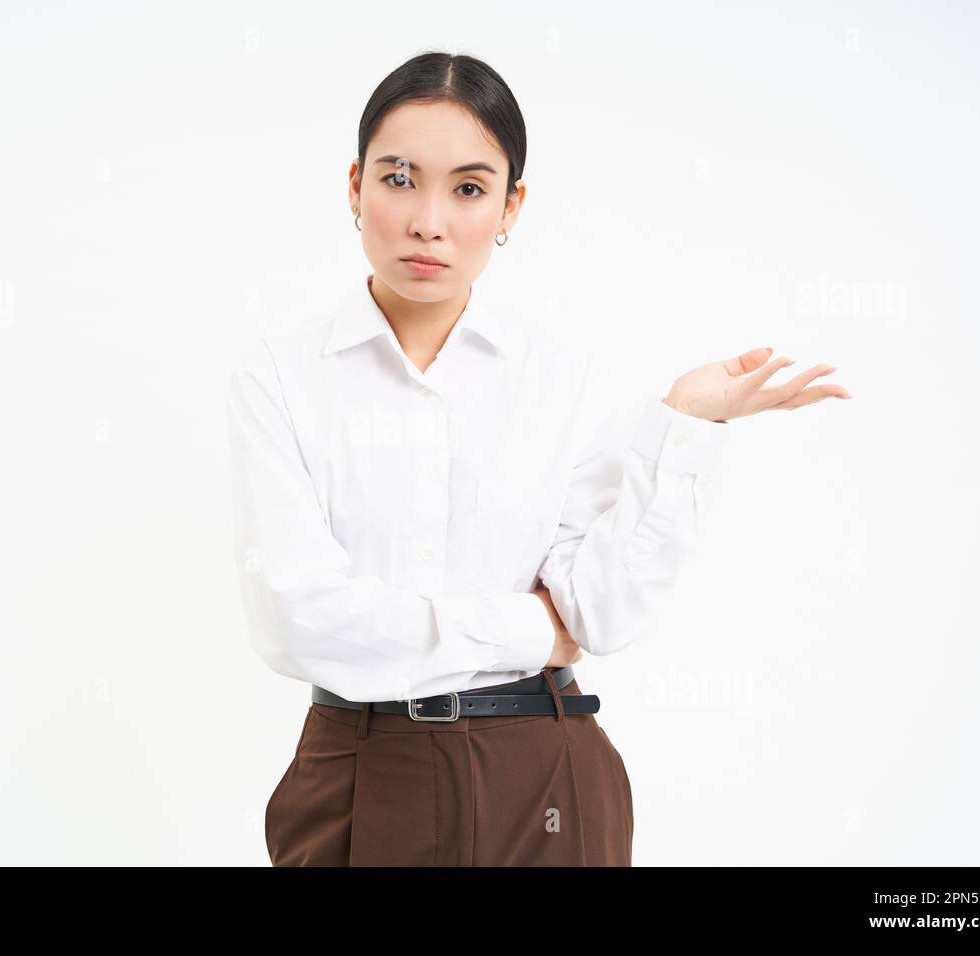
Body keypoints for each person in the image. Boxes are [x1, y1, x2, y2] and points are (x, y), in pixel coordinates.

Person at [227, 51, 849, 867]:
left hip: (545, 772)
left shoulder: (562, 379)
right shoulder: (281, 378)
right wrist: (528, 626)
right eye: (400, 178)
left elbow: (600, 616)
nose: (429, 222)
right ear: (354, 186)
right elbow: (296, 622)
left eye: (470, 189)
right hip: (358, 769)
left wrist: (683, 424)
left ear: (511, 206)